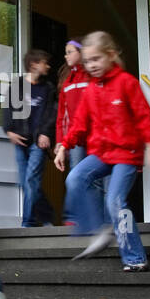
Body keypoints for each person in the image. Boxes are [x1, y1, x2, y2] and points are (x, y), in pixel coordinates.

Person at [53, 31, 150, 272]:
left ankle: (134, 257)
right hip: (102, 153)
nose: (91, 66)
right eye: (88, 62)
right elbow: (79, 123)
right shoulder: (91, 90)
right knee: (75, 178)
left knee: (115, 201)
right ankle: (100, 230)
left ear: (111, 56)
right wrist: (64, 146)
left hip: (127, 154)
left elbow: (145, 117)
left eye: (96, 59)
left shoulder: (126, 83)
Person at [2, 48, 57, 228]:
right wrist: (9, 130)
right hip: (20, 140)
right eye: (44, 63)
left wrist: (46, 134)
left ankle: (28, 222)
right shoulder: (17, 85)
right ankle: (47, 215)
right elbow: (7, 109)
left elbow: (52, 114)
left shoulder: (48, 89)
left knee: (31, 180)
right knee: (26, 182)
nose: (48, 66)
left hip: (37, 142)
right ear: (34, 65)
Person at [56, 39, 92, 226]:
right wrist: (60, 142)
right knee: (75, 175)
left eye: (70, 51)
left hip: (94, 136)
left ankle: (97, 219)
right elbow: (62, 115)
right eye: (66, 52)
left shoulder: (91, 76)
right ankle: (75, 218)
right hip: (76, 139)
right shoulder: (67, 82)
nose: (66, 55)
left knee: (96, 178)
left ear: (81, 53)